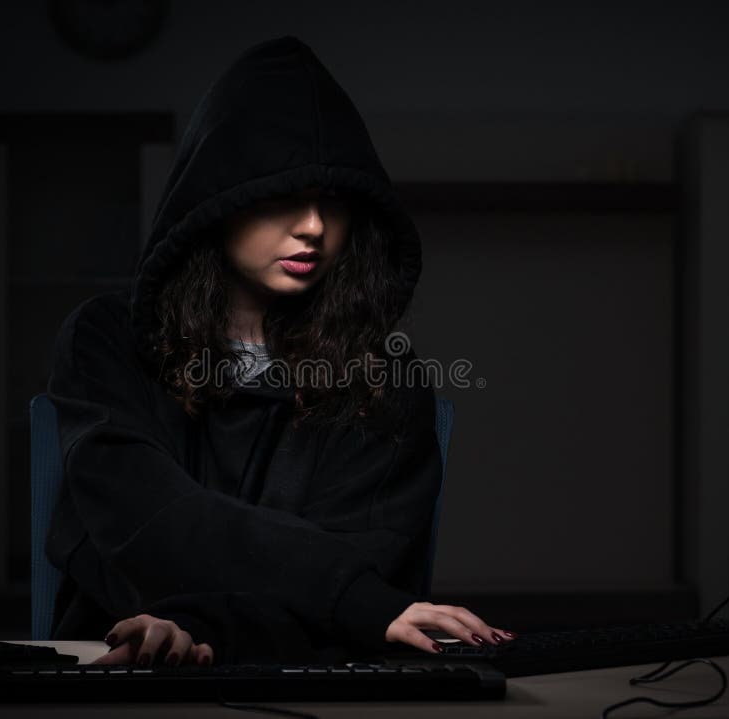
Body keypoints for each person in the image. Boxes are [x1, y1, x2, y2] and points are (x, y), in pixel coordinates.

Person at [44, 35, 517, 668]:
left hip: (302, 671)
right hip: (113, 662)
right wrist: (345, 595)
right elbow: (142, 515)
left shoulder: (386, 378)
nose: (314, 226)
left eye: (334, 204)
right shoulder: (108, 339)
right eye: (283, 196)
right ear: (217, 201)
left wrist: (196, 628)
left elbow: (367, 561)